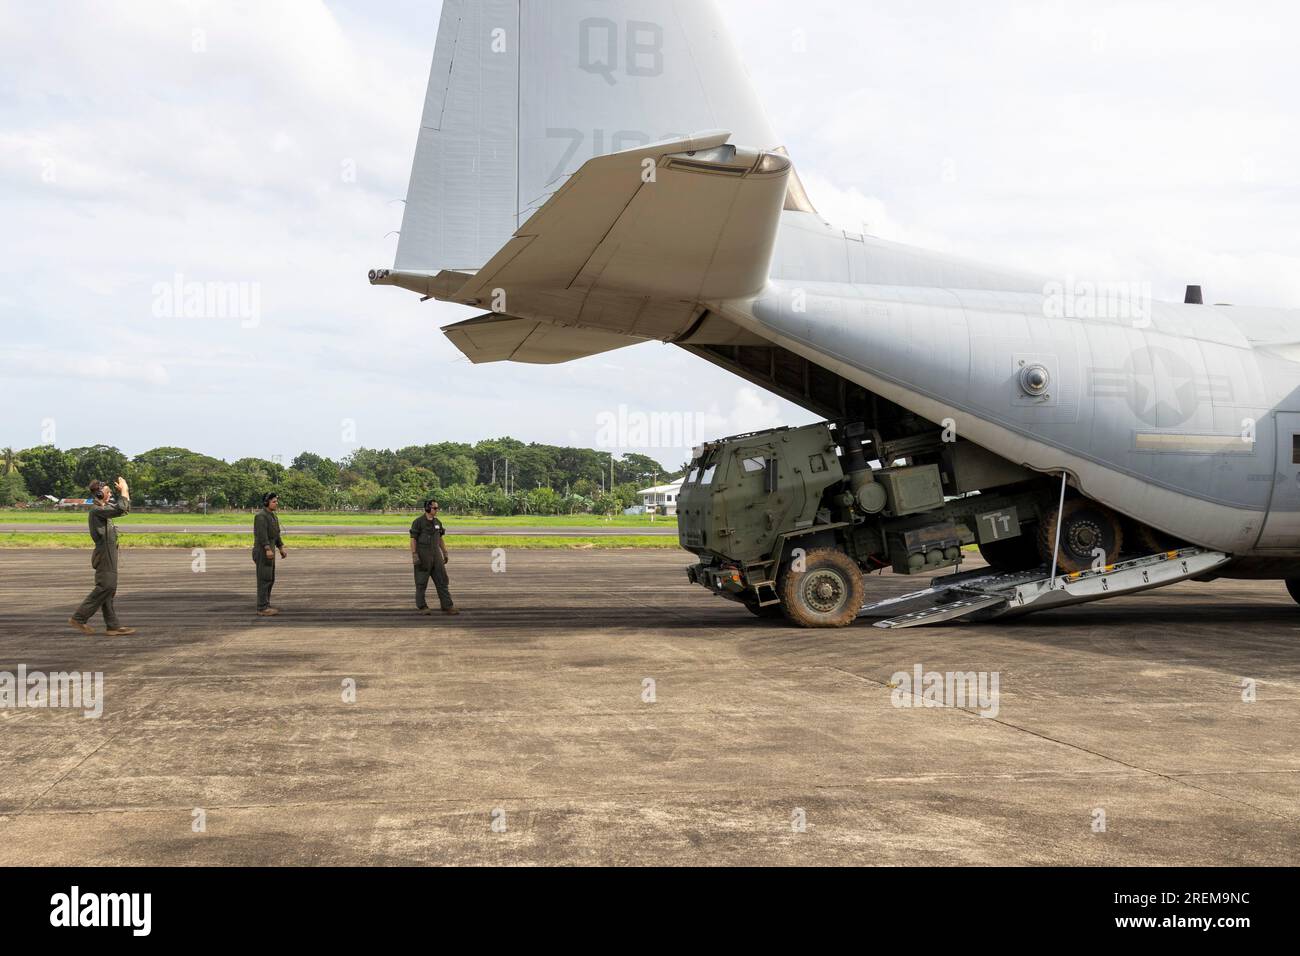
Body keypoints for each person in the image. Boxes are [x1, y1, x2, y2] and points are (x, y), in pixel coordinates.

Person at [69, 476, 137, 636]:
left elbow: (123, 508)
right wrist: (125, 490)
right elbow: (121, 508)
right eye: (108, 492)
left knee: (109, 589)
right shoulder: (97, 511)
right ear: (99, 494)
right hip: (105, 553)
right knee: (106, 587)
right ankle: (79, 618)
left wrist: (124, 493)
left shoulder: (103, 510)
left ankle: (112, 626)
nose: (111, 495)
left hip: (109, 552)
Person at [410, 499, 457, 615]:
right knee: (421, 582)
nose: (437, 510)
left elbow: (440, 538)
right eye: (435, 508)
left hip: (436, 556)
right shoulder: (418, 522)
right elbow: (413, 539)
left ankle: (447, 606)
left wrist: (445, 552)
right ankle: (422, 607)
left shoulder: (437, 523)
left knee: (442, 581)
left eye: (437, 508)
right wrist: (414, 554)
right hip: (423, 555)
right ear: (427, 508)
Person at [253, 492, 287, 616]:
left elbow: (276, 534)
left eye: (276, 501)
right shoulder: (261, 517)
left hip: (270, 550)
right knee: (264, 579)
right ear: (266, 502)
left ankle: (266, 604)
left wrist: (281, 548)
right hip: (263, 551)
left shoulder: (273, 516)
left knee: (270, 579)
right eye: (274, 501)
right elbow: (261, 535)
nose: (276, 503)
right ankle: (262, 607)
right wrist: (267, 549)